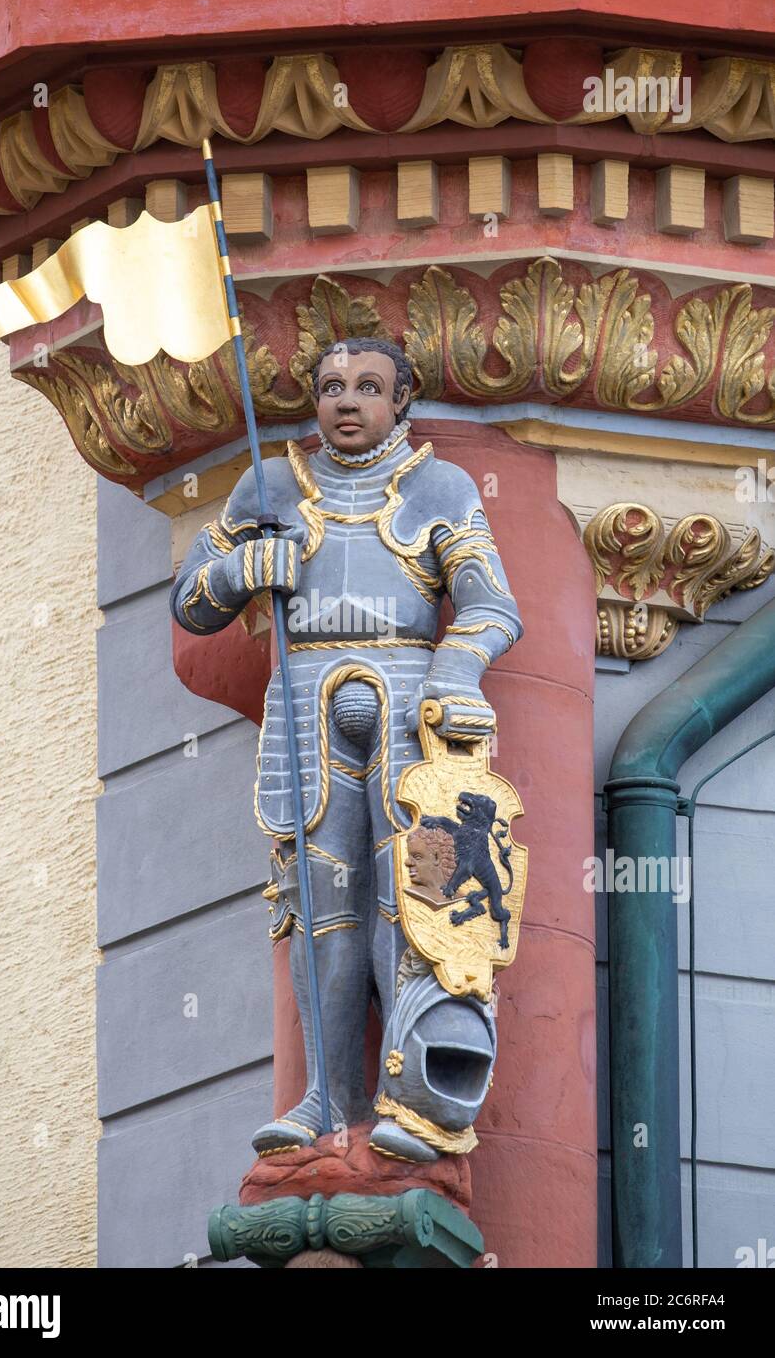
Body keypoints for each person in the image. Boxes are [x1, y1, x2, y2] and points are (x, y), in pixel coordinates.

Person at [170, 337, 523, 1161]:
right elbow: (191, 602)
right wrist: (238, 571)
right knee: (319, 903)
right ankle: (326, 1096)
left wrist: (456, 670)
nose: (347, 401)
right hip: (305, 698)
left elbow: (491, 606)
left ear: (402, 400)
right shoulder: (269, 486)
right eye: (331, 387)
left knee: (414, 899)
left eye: (369, 386)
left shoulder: (441, 486)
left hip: (407, 696)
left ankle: (412, 1094)